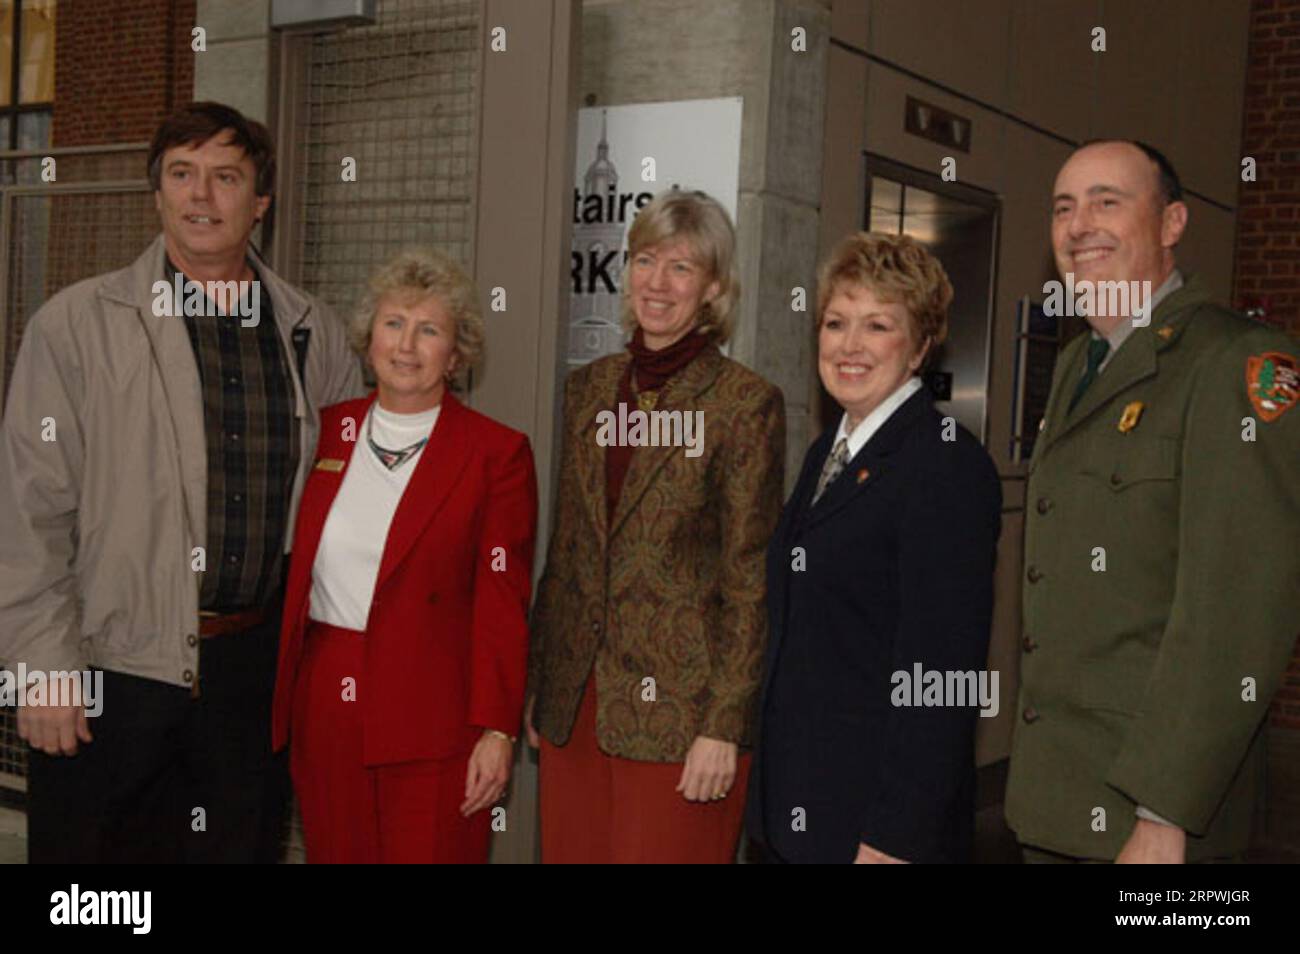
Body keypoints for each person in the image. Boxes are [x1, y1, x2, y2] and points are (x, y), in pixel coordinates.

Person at [0, 101, 363, 863]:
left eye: (226, 177)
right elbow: (27, 512)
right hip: (108, 667)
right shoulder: (74, 327)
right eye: (182, 175)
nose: (202, 197)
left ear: (259, 202)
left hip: (249, 676)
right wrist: (39, 670)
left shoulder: (310, 332)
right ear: (157, 192)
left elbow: (347, 505)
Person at [1005, 140, 1300, 863]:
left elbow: (1238, 610)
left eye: (1108, 201)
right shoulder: (1081, 360)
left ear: (1172, 223)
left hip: (1151, 815)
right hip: (1058, 799)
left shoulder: (1237, 362)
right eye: (1064, 207)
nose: (1079, 225)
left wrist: (1165, 808)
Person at [526, 188, 785, 863]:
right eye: (646, 260)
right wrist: (539, 686)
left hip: (682, 716)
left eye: (682, 268)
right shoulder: (588, 388)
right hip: (575, 704)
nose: (658, 283)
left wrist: (725, 725)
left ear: (713, 288)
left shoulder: (743, 404)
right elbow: (569, 550)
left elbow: (750, 578)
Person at [272, 248, 537, 864]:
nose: (407, 345)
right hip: (328, 707)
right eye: (394, 324)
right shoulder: (327, 431)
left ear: (457, 350)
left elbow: (503, 603)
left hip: (438, 721)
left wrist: (496, 730)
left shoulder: (495, 454)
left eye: (429, 329)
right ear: (369, 339)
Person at [747, 232, 1001, 864]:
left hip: (871, 829)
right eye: (836, 323)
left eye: (878, 325)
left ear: (919, 347)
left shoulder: (945, 467)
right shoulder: (826, 451)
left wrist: (893, 839)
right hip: (796, 810)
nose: (849, 346)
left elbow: (943, 678)